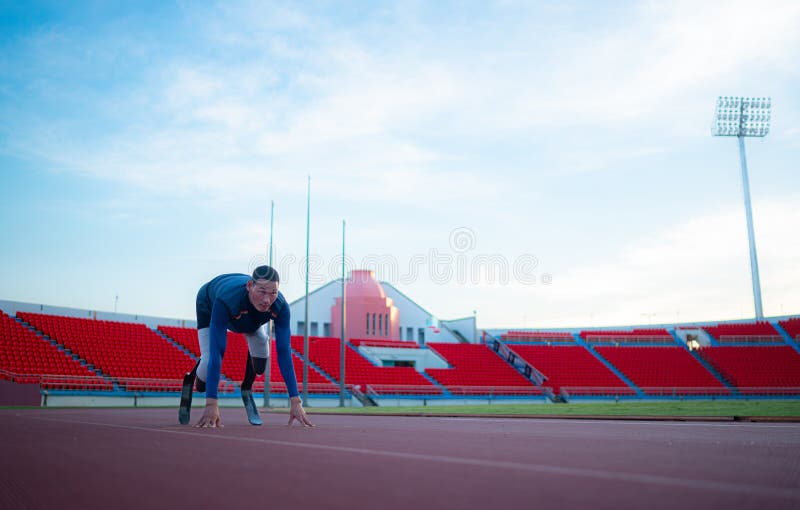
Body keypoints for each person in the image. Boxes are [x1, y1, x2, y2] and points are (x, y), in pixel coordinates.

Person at [179, 265, 313, 428]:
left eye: (273, 293)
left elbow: (284, 352)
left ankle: (246, 386)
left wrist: (296, 401)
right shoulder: (226, 300)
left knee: (260, 366)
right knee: (207, 365)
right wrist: (211, 404)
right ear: (250, 286)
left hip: (250, 320)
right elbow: (217, 351)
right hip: (210, 303)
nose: (267, 300)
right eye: (262, 292)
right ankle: (196, 377)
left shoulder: (280, 306)